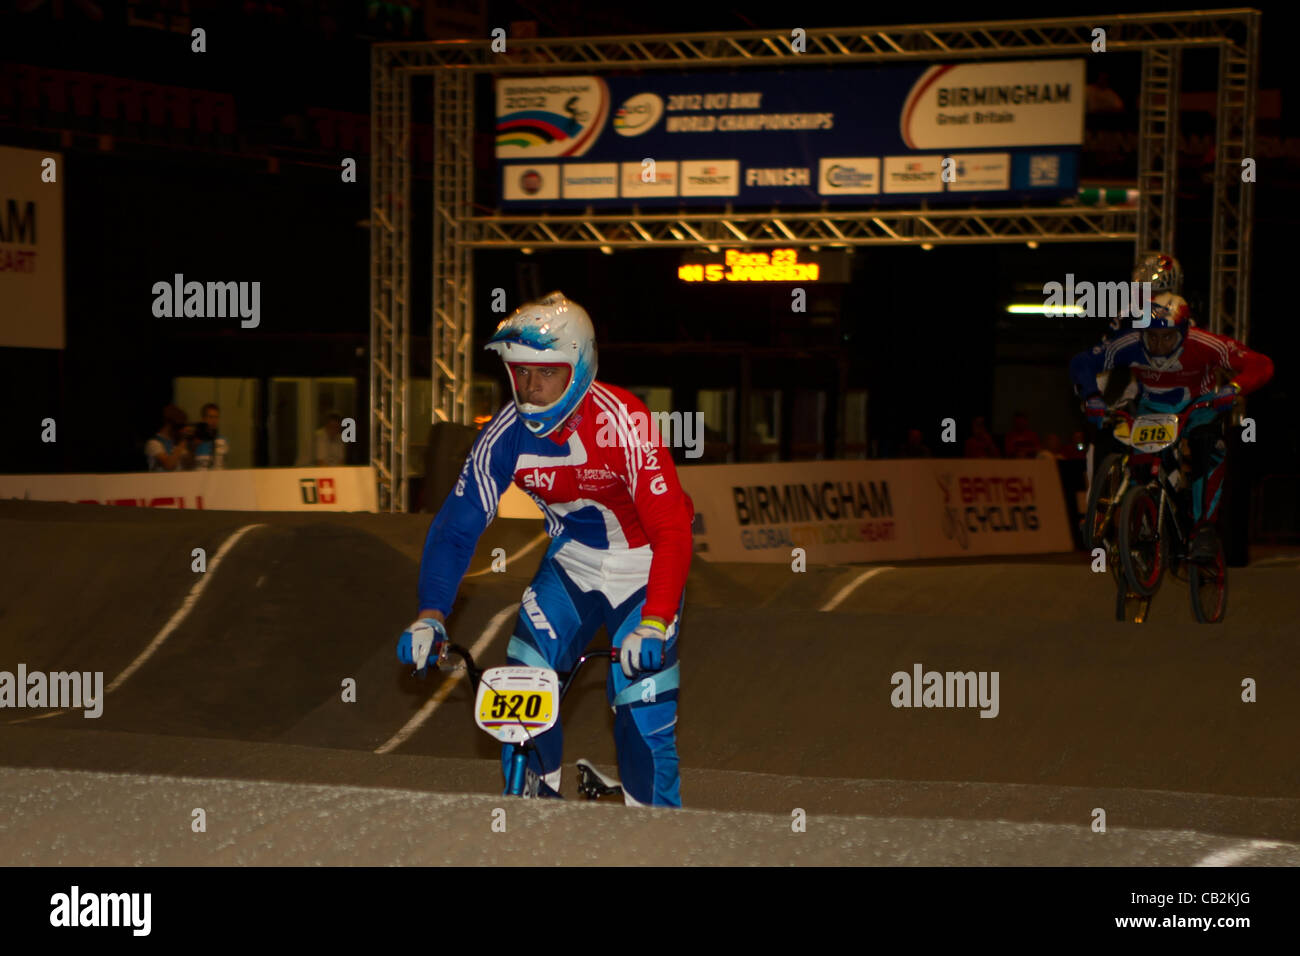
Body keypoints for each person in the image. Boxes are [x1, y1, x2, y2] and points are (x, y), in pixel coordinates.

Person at [396, 291, 694, 807]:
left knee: (640, 710)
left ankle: (656, 830)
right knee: (520, 692)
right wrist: (430, 614)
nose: (531, 387)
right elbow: (455, 529)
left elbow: (671, 530)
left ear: (579, 369)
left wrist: (655, 620)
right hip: (573, 561)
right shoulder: (504, 435)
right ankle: (532, 817)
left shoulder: (626, 422)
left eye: (547, 372)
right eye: (520, 373)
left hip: (645, 565)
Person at [1069, 292, 1273, 560]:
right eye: (1151, 336)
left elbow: (1260, 363)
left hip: (1197, 408)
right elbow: (1083, 361)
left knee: (1208, 445)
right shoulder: (1130, 343)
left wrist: (1234, 387)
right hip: (1151, 409)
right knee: (1120, 442)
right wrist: (1092, 396)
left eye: (1167, 337)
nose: (1158, 345)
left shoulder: (1205, 343)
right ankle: (1132, 513)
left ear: (1184, 332)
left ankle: (1204, 528)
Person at [144, 405, 193, 472]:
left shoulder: (178, 443)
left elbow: (191, 466)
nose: (182, 429)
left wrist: (192, 444)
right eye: (180, 425)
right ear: (169, 424)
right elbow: (169, 466)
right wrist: (183, 440)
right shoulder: (153, 443)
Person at [192, 402, 229, 470]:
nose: (214, 420)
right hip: (198, 474)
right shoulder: (195, 440)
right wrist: (193, 447)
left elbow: (224, 463)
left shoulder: (223, 440)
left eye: (216, 417)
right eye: (210, 417)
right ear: (203, 419)